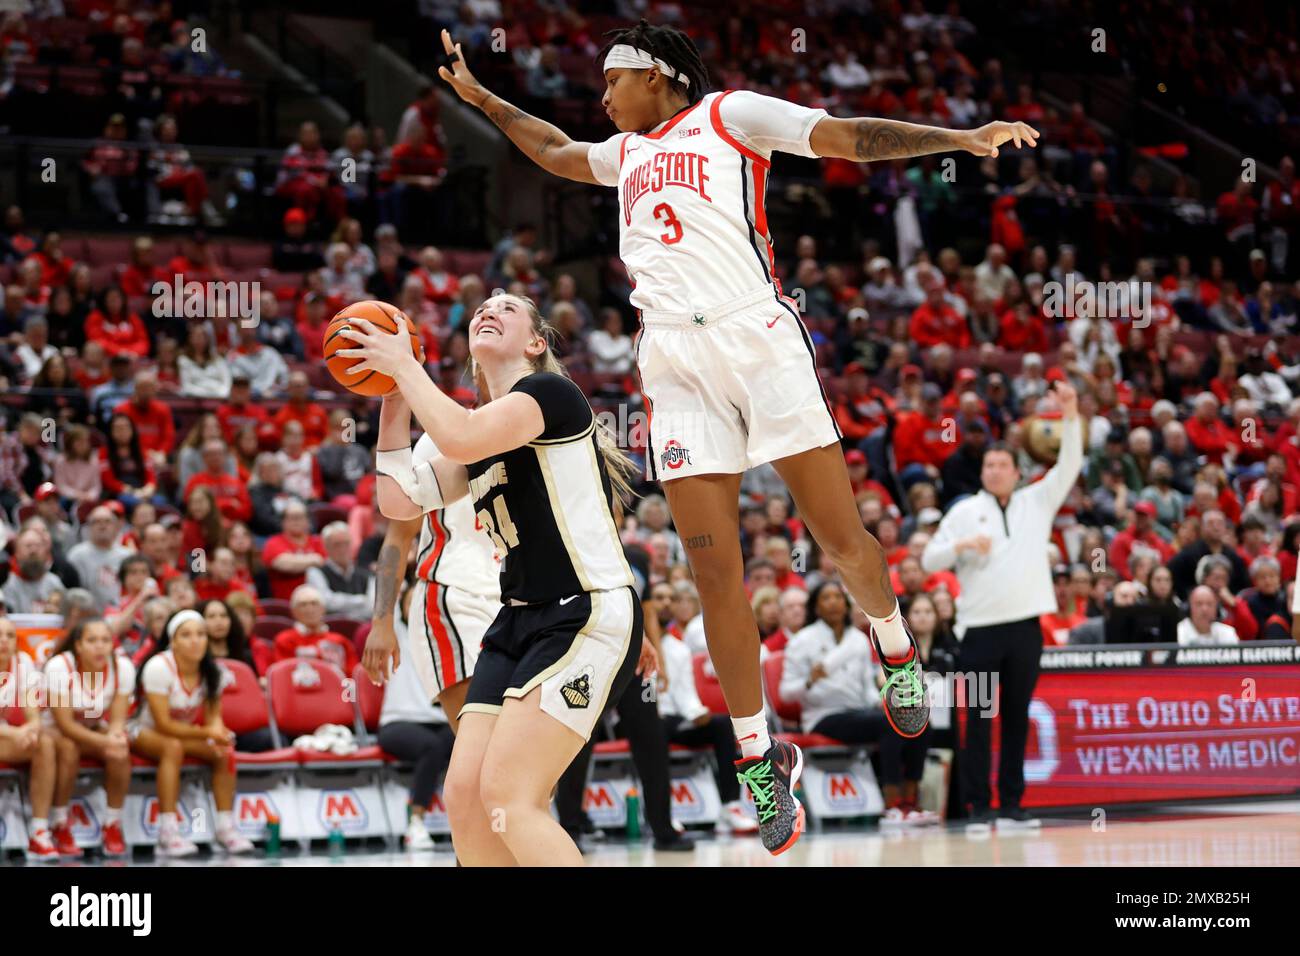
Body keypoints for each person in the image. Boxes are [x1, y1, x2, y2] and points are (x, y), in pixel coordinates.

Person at [436, 20, 1036, 853]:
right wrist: (482, 97)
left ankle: (895, 641)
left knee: (839, 538)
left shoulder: (730, 115)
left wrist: (959, 136)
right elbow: (552, 147)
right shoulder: (625, 157)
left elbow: (851, 139)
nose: (602, 97)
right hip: (674, 361)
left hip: (757, 337)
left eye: (615, 80)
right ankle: (759, 755)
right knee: (714, 571)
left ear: (661, 75)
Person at [339, 291, 653, 867]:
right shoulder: (475, 432)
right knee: (466, 798)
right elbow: (398, 501)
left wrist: (406, 367)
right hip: (517, 619)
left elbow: (458, 437)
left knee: (511, 795)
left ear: (536, 342)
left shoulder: (550, 395)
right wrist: (391, 398)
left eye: (507, 308)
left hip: (581, 609)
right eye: (482, 306)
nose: (489, 309)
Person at [923, 382, 1082, 832]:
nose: (993, 471)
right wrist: (961, 544)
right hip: (979, 634)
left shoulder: (1037, 501)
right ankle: (978, 808)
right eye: (988, 465)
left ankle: (1012, 806)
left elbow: (1070, 464)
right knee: (976, 722)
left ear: (1017, 471)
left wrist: (1070, 413)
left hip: (1025, 632)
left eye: (1001, 464)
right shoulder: (963, 511)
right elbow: (929, 558)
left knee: (1016, 719)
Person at [781, 581, 935, 826]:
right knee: (888, 724)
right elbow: (786, 693)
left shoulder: (859, 640)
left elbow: (866, 688)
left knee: (916, 719)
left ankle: (910, 800)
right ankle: (891, 803)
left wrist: (883, 704)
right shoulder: (802, 640)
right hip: (823, 716)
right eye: (826, 597)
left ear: (846, 605)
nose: (833, 602)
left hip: (860, 712)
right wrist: (810, 680)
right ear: (816, 607)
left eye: (837, 597)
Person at [129, 609, 255, 855]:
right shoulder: (158, 667)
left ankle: (225, 826)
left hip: (183, 734)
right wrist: (207, 731)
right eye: (186, 635)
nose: (195, 640)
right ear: (172, 641)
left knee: (223, 751)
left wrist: (219, 733)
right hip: (143, 731)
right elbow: (163, 724)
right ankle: (168, 831)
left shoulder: (213, 672)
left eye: (200, 634)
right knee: (172, 747)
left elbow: (214, 718)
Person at [656, 582, 758, 834]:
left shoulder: (679, 649)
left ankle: (730, 806)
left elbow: (685, 694)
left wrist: (697, 712)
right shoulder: (633, 644)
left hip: (673, 719)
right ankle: (660, 813)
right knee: (653, 726)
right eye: (659, 598)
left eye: (671, 598)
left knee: (721, 724)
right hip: (639, 721)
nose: (667, 603)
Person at [43, 618, 134, 859]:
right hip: (53, 729)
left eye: (105, 640)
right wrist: (106, 741)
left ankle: (113, 823)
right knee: (70, 748)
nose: (100, 647)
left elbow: (117, 718)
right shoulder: (59, 667)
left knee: (120, 751)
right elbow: (65, 724)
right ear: (78, 646)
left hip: (92, 728)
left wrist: (115, 736)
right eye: (92, 641)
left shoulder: (122, 667)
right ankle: (59, 823)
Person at [376, 582, 455, 852]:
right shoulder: (395, 635)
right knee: (431, 747)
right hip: (398, 722)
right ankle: (416, 822)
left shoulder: (444, 639)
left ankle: (473, 821)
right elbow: (384, 600)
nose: (417, 608)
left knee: (469, 741)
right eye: (411, 602)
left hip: (439, 722)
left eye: (422, 602)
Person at [0, 615, 59, 861]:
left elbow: (31, 708)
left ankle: (39, 831)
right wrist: (16, 732)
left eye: (10, 636)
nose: (4, 641)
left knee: (44, 743)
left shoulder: (23, 662)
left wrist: (31, 729)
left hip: (8, 738)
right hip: (8, 735)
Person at [272, 584, 359, 672]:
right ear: (293, 611)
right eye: (303, 604)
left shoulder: (340, 640)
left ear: (323, 609)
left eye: (314, 603)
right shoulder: (285, 640)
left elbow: (352, 673)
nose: (309, 609)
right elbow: (283, 674)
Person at [305, 522, 373, 620]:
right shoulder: (315, 572)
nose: (342, 549)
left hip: (362, 627)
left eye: (346, 543)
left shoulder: (366, 574)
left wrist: (344, 609)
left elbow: (372, 606)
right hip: (330, 628)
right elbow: (325, 602)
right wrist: (361, 600)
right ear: (326, 547)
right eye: (337, 545)